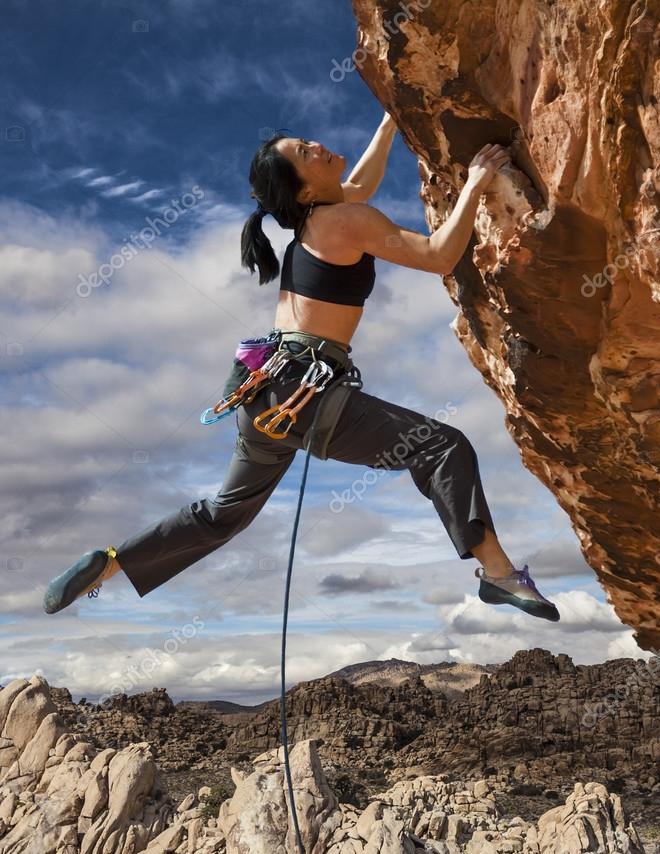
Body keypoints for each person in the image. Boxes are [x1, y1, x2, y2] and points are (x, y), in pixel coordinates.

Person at [43, 113, 559, 623]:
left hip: (261, 392)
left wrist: (387, 125)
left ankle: (114, 563)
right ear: (305, 192)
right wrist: (473, 185)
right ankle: (498, 574)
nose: (316, 145)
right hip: (302, 393)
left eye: (307, 142)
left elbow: (358, 183)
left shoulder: (322, 219)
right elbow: (438, 255)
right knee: (441, 445)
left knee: (226, 514)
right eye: (304, 153)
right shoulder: (342, 222)